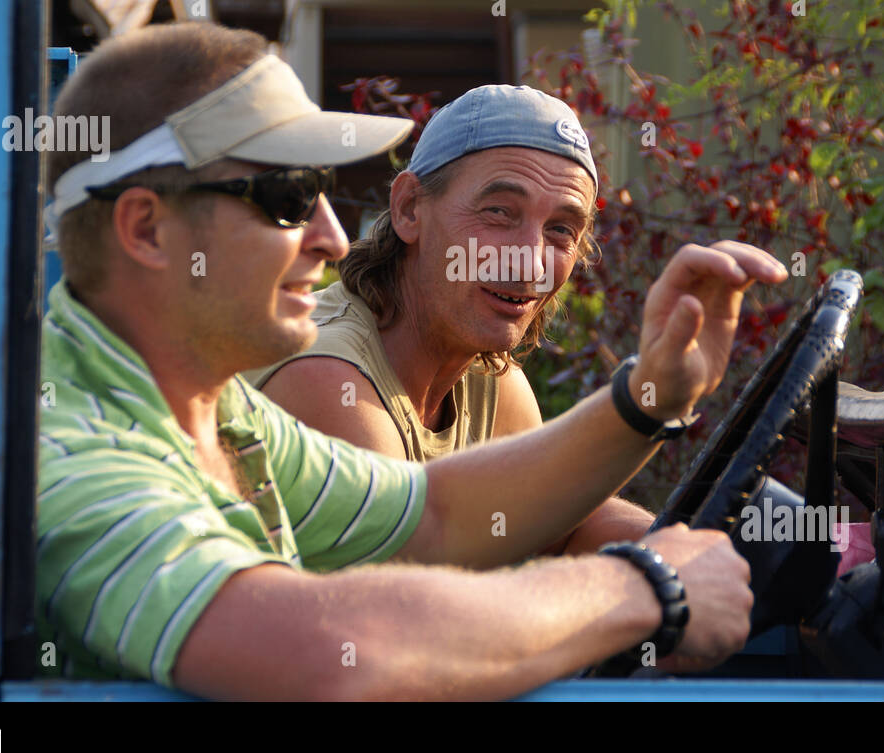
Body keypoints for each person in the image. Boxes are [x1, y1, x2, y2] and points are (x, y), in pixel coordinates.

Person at [37, 21, 786, 701]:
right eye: (287, 197)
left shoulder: (217, 409)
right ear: (147, 230)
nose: (331, 237)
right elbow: (332, 654)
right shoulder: (80, 456)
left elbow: (430, 514)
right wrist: (647, 588)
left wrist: (651, 396)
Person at [252, 84, 652, 554]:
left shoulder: (491, 381)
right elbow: (414, 588)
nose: (531, 261)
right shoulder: (326, 377)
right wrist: (648, 401)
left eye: (560, 229)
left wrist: (696, 547)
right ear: (408, 208)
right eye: (499, 212)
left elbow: (561, 524)